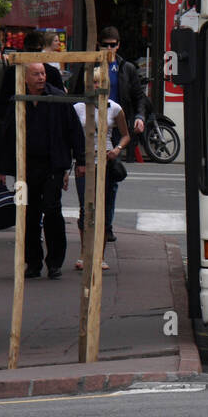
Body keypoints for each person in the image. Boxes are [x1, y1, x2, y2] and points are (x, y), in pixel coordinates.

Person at [0, 62, 86, 279]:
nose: (41, 78)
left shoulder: (57, 99)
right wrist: (1, 169)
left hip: (52, 165)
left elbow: (74, 131)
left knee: (52, 210)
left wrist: (81, 160)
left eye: (43, 73)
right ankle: (32, 262)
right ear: (25, 78)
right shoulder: (17, 100)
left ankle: (54, 262)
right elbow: (5, 137)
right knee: (26, 214)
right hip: (23, 167)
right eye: (36, 74)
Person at [71, 25, 146, 241]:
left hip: (114, 125)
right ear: (99, 45)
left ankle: (107, 225)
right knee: (86, 179)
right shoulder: (90, 66)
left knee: (110, 181)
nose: (109, 48)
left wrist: (139, 117)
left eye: (113, 45)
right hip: (91, 125)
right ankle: (90, 223)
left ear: (119, 45)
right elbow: (77, 95)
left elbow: (139, 96)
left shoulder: (126, 68)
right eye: (106, 45)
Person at [71, 64, 130, 271]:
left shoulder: (115, 108)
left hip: (106, 161)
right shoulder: (77, 108)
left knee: (103, 211)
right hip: (84, 162)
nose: (96, 86)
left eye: (100, 82)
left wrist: (118, 149)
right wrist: (76, 160)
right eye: (93, 82)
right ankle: (84, 253)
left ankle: (100, 255)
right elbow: (71, 137)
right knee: (85, 210)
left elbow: (126, 134)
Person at [0, 29, 65, 111]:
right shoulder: (53, 72)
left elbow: (1, 107)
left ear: (24, 48)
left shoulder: (12, 72)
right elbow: (62, 104)